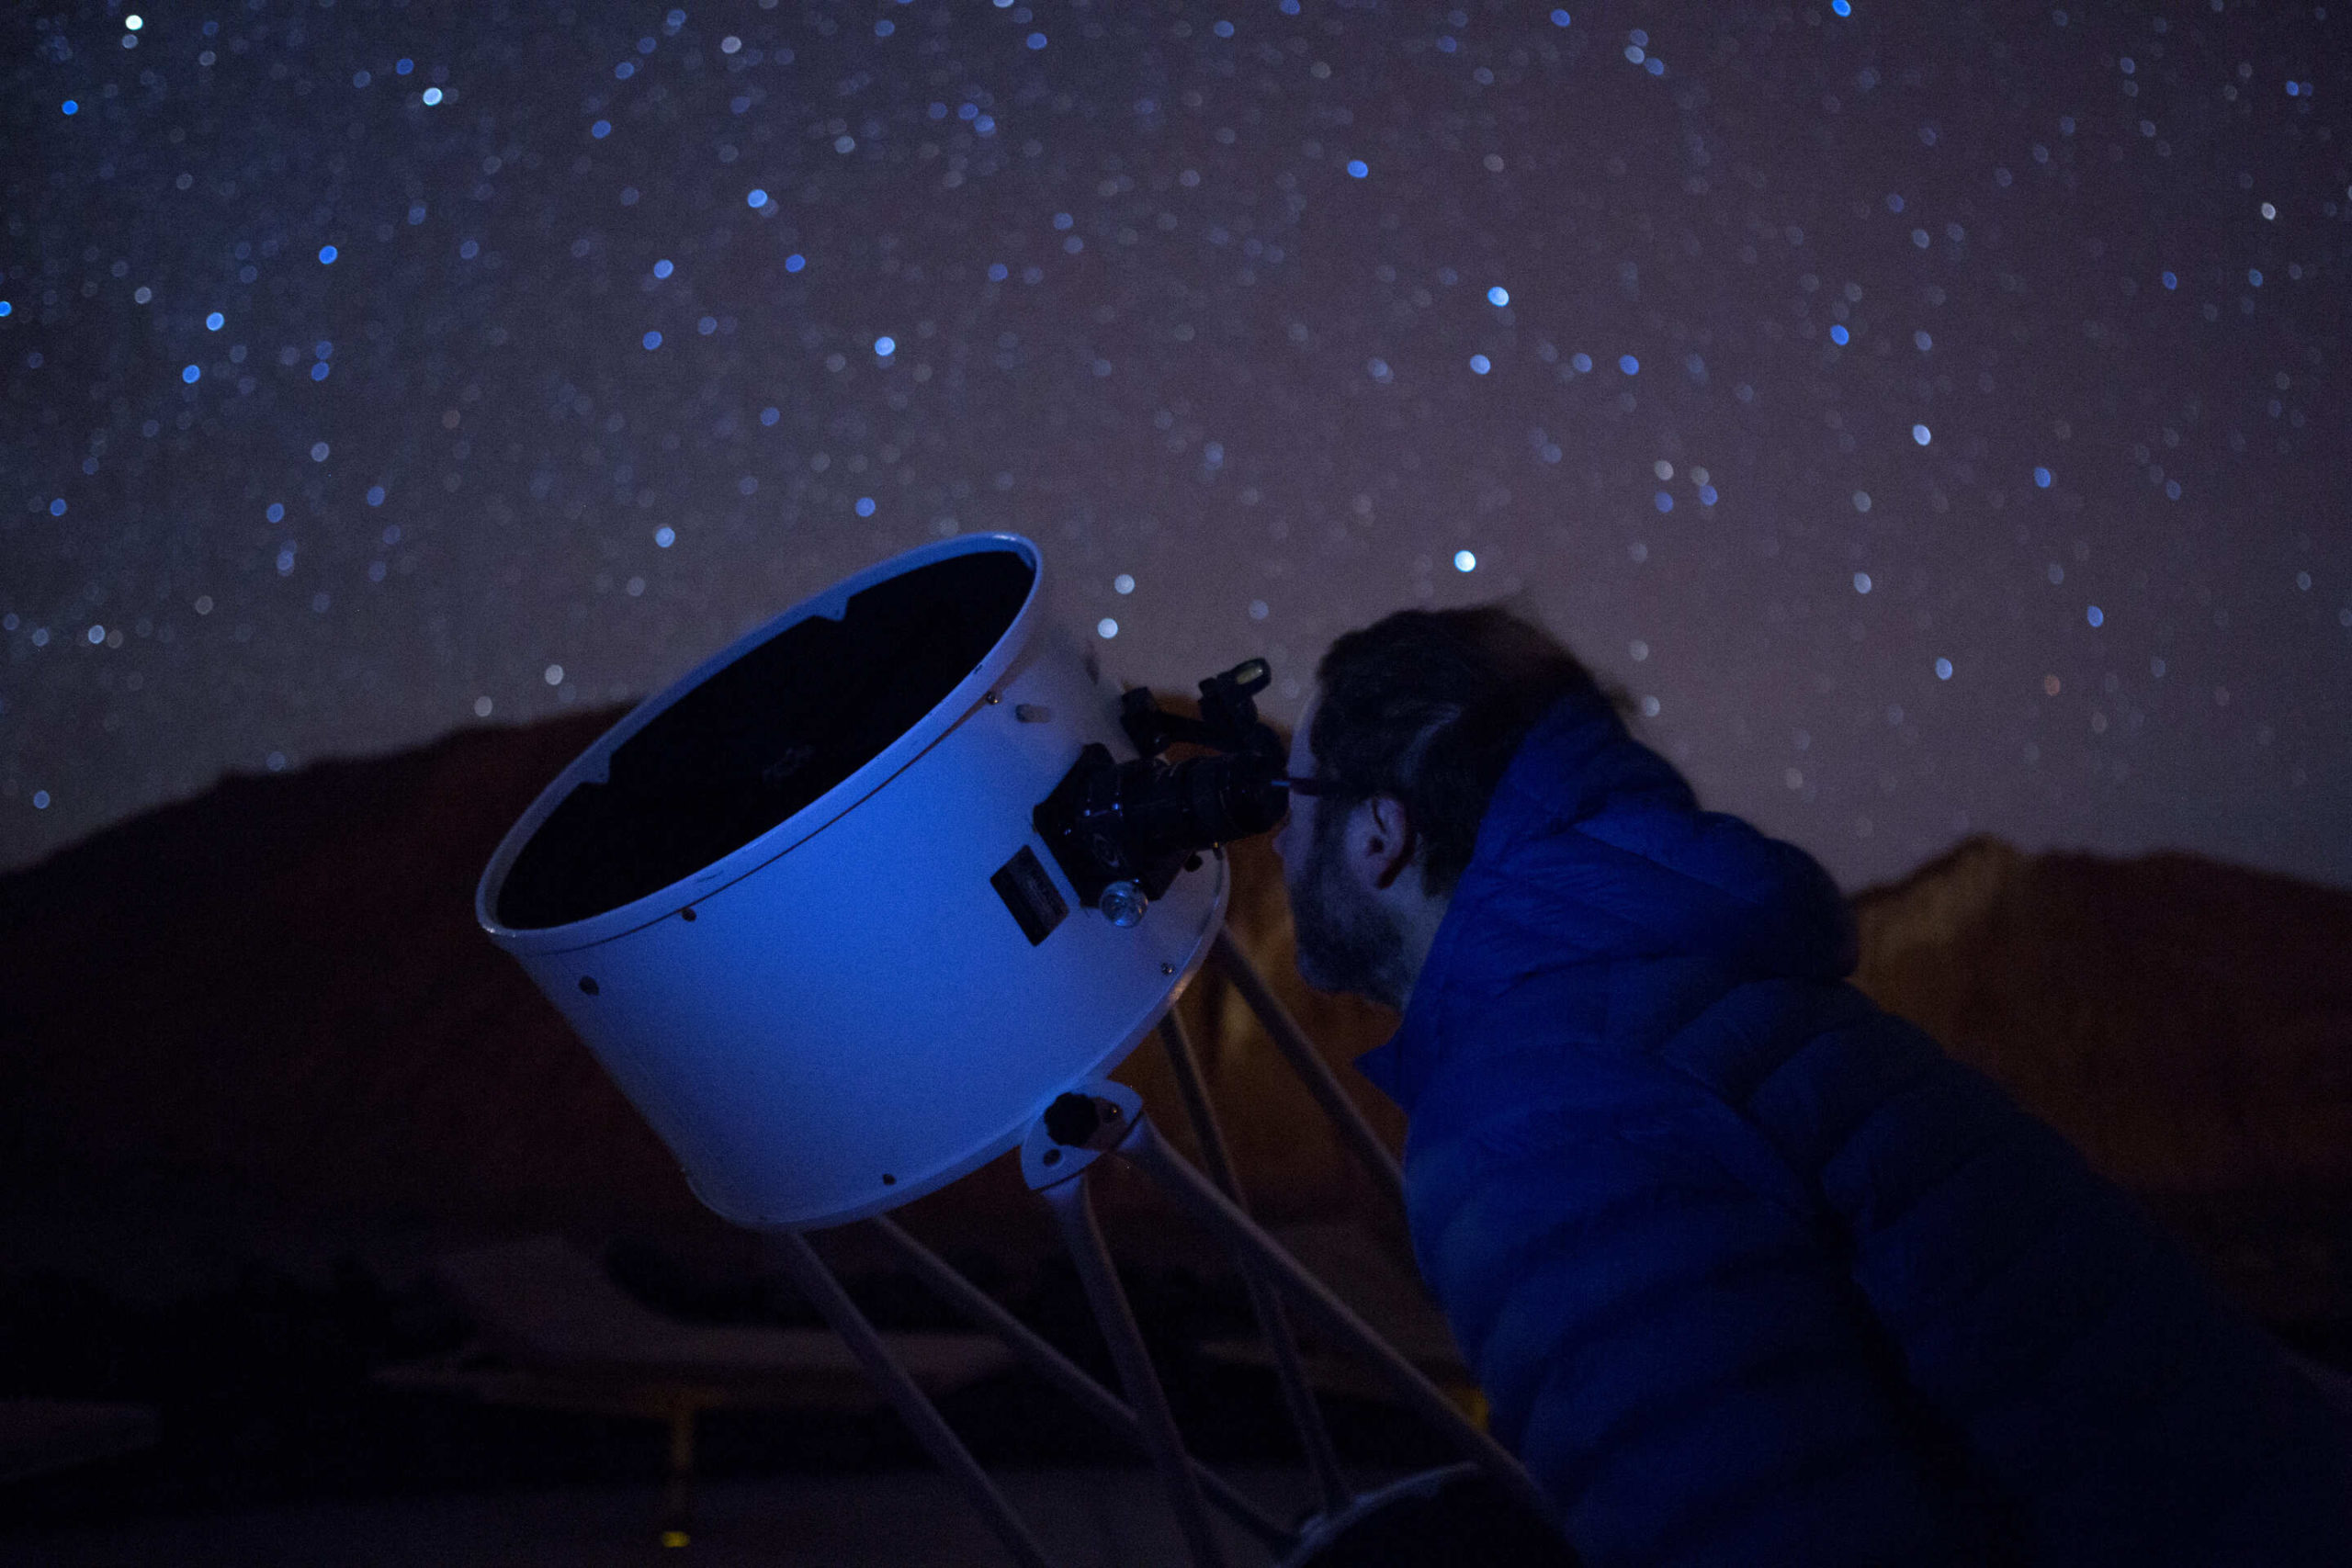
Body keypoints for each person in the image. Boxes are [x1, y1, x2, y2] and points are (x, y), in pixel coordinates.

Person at [1268, 604, 2352, 1566]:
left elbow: (1767, 1525)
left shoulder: (1539, 1107)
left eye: (1294, 796)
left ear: (1380, 834)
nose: (1274, 835)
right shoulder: (1685, 998)